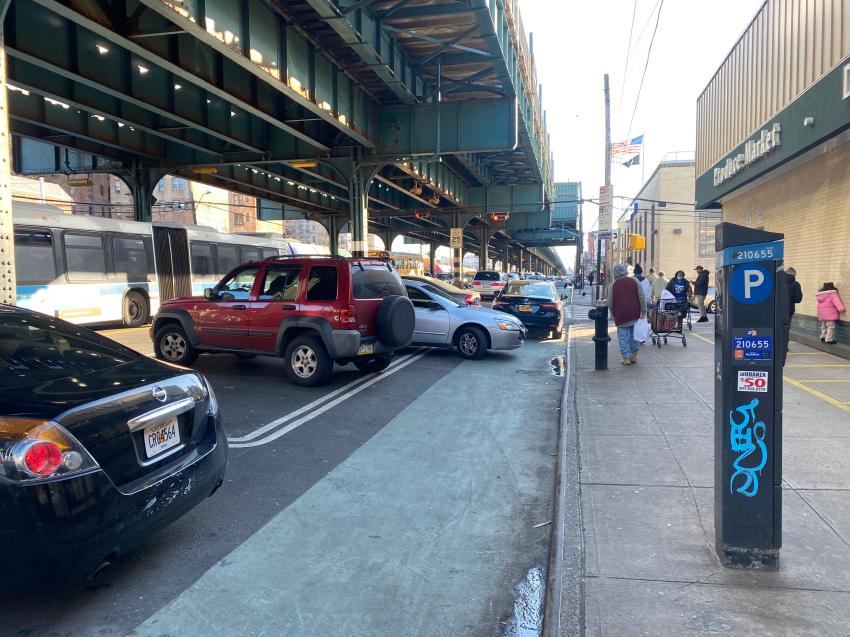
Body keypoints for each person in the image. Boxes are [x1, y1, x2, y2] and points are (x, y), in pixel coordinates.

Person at [608, 263, 646, 366]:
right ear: (625, 271)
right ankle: (634, 356)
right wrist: (643, 310)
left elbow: (610, 302)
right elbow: (641, 296)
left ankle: (626, 358)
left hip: (620, 314)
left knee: (623, 337)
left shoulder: (613, 285)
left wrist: (613, 314)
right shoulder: (634, 280)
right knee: (634, 335)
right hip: (634, 313)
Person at [781, 266, 804, 365]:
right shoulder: (796, 284)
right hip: (788, 311)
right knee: (786, 329)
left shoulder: (778, 282)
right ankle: (784, 347)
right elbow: (798, 299)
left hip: (776, 310)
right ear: (794, 274)